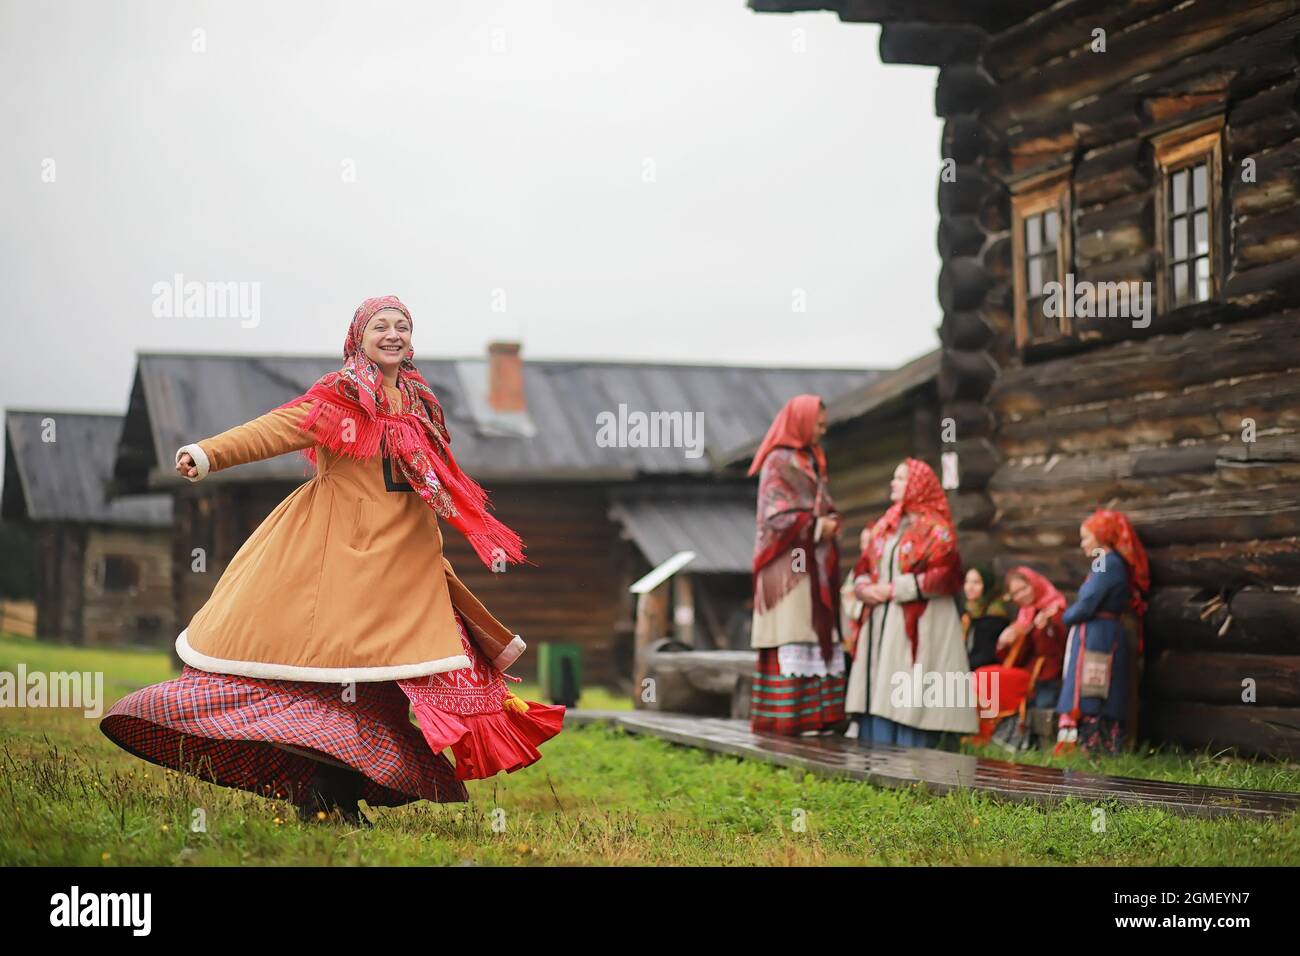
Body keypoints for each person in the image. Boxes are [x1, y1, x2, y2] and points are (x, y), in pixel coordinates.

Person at [101, 296, 564, 825]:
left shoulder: (420, 405)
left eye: (402, 326)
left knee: (379, 690)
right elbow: (278, 427)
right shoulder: (342, 397)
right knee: (339, 680)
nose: (392, 334)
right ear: (358, 338)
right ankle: (322, 795)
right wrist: (208, 453)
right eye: (380, 327)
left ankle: (334, 796)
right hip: (343, 554)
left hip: (406, 561)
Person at [845, 458, 978, 748]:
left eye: (901, 478)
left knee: (910, 685)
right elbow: (865, 563)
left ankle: (914, 750)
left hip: (922, 618)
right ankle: (875, 748)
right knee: (881, 685)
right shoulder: (887, 524)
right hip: (882, 618)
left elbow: (946, 576)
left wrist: (895, 589)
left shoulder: (937, 528)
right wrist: (864, 586)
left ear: (917, 485)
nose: (893, 483)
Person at [747, 395, 845, 735]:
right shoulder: (779, 460)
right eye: (818, 424)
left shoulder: (813, 458)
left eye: (824, 424)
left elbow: (820, 502)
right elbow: (774, 517)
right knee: (792, 634)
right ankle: (786, 720)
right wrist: (817, 526)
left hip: (813, 563)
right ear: (801, 422)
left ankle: (818, 719)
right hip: (785, 566)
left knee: (813, 635)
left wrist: (829, 520)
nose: (822, 430)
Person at [1055, 509, 1150, 755]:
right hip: (1100, 632)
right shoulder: (1108, 562)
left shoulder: (1107, 563)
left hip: (1098, 636)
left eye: (1086, 537)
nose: (1083, 543)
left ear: (1101, 536)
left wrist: (1065, 616)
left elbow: (1088, 602)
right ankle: (1095, 744)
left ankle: (1096, 745)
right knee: (1095, 684)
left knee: (1094, 686)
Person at [969, 566, 1066, 748]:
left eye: (1023, 588)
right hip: (1028, 671)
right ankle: (985, 735)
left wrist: (1046, 628)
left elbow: (1054, 650)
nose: (1020, 595)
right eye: (1015, 593)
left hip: (1048, 676)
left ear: (1034, 584)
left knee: (988, 677)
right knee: (984, 676)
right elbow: (1016, 657)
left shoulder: (1055, 609)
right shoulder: (1026, 614)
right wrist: (1004, 643)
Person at [961, 566, 1011, 671]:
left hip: (985, 674)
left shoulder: (993, 616)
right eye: (967, 582)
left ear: (987, 585)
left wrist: (958, 666)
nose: (969, 587)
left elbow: (986, 656)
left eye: (976, 583)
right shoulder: (970, 612)